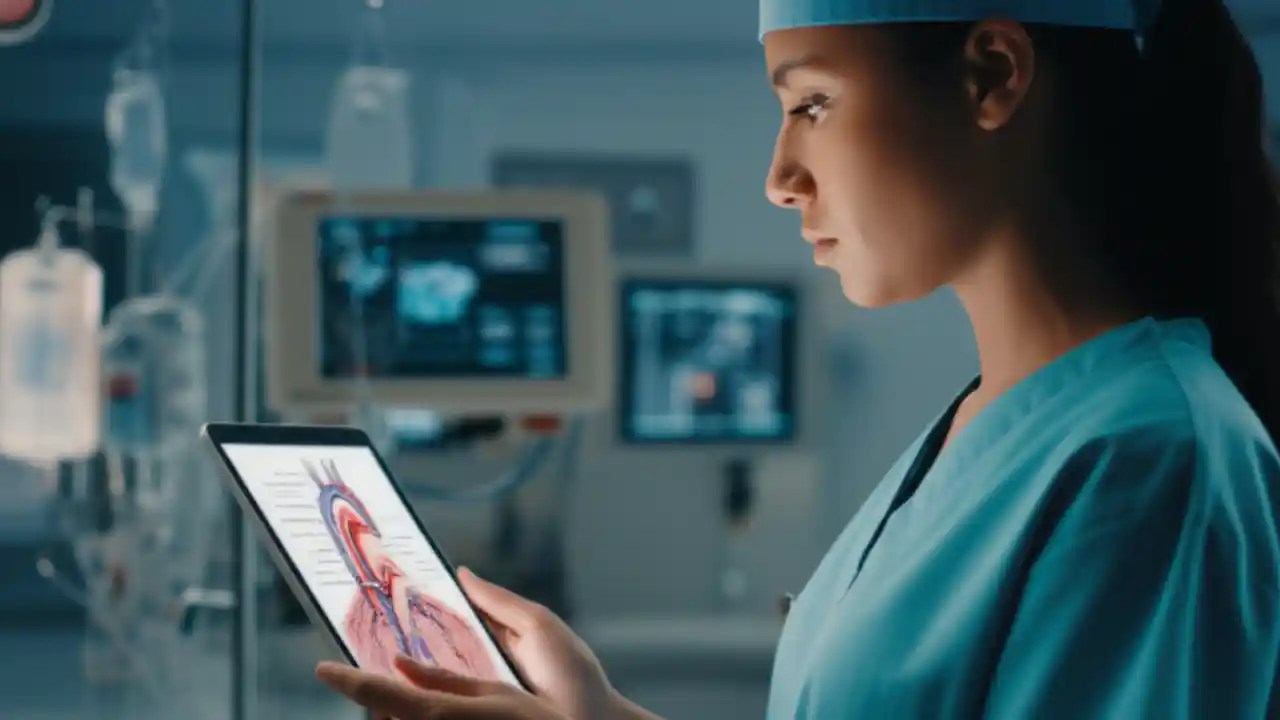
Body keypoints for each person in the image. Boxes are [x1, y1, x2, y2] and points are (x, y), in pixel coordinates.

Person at [315, 0, 1280, 716]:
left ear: (991, 75)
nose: (779, 179)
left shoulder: (1154, 458)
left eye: (812, 102)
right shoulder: (993, 426)